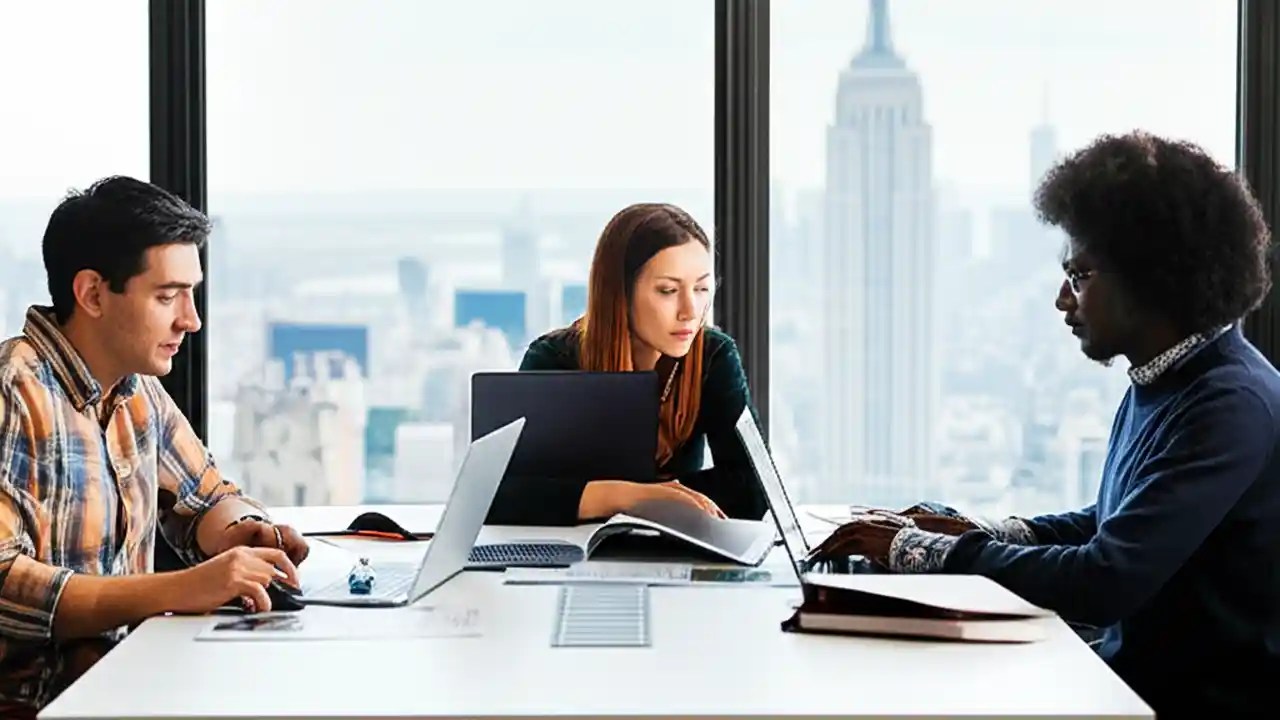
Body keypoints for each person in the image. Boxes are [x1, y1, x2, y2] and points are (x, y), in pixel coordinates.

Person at [811, 131, 1280, 715]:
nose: (1063, 299)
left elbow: (1106, 578)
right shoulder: (1171, 378)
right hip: (1127, 682)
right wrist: (973, 531)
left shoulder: (1229, 404)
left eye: (1079, 276)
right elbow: (1112, 524)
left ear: (1151, 275)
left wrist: (923, 551)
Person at [0, 177, 311, 716]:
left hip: (124, 688)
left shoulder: (135, 388)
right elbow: (4, 583)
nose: (190, 320)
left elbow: (207, 498)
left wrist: (242, 532)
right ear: (93, 293)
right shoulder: (15, 392)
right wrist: (180, 589)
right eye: (167, 296)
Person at [486, 203, 766, 526]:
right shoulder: (554, 359)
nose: (691, 310)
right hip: (576, 560)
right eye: (668, 290)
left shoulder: (713, 355)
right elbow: (499, 496)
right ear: (619, 293)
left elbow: (753, 490)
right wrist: (632, 497)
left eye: (702, 289)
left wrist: (602, 498)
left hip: (674, 552)